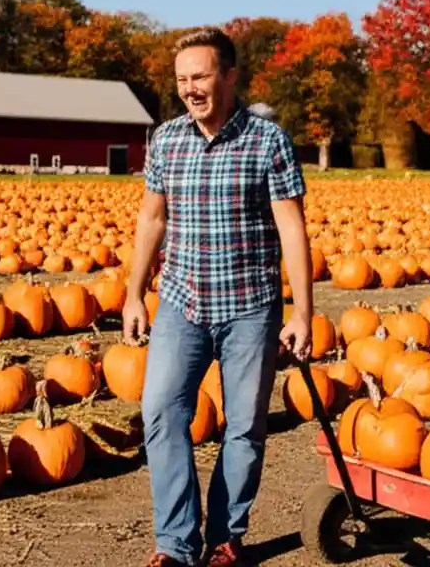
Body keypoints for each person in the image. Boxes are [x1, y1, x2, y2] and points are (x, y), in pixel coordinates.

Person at [123, 28, 314, 567]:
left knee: (245, 427)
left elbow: (292, 230)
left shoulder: (267, 140)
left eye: (201, 76)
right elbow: (152, 218)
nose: (190, 89)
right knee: (161, 413)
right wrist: (134, 294)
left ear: (229, 76)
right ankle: (175, 544)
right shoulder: (166, 139)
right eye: (182, 79)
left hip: (250, 308)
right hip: (181, 304)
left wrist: (303, 312)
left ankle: (226, 536)